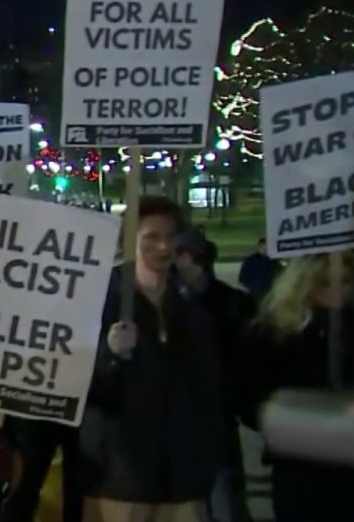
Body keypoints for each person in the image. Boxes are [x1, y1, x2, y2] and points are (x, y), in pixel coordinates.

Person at [77, 196, 223, 522]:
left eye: (171, 237)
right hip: (121, 480)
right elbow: (73, 380)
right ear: (130, 242)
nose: (163, 247)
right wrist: (108, 355)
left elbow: (211, 383)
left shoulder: (190, 302)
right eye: (151, 238)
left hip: (183, 479)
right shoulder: (100, 296)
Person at [237, 253, 354, 522]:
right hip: (300, 466)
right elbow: (249, 400)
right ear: (303, 283)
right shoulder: (273, 333)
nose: (337, 290)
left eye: (345, 281)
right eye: (325, 282)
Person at [175, 229, 256, 522]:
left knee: (225, 506)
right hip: (175, 428)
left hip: (214, 425)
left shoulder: (231, 305)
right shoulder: (160, 303)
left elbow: (245, 363)